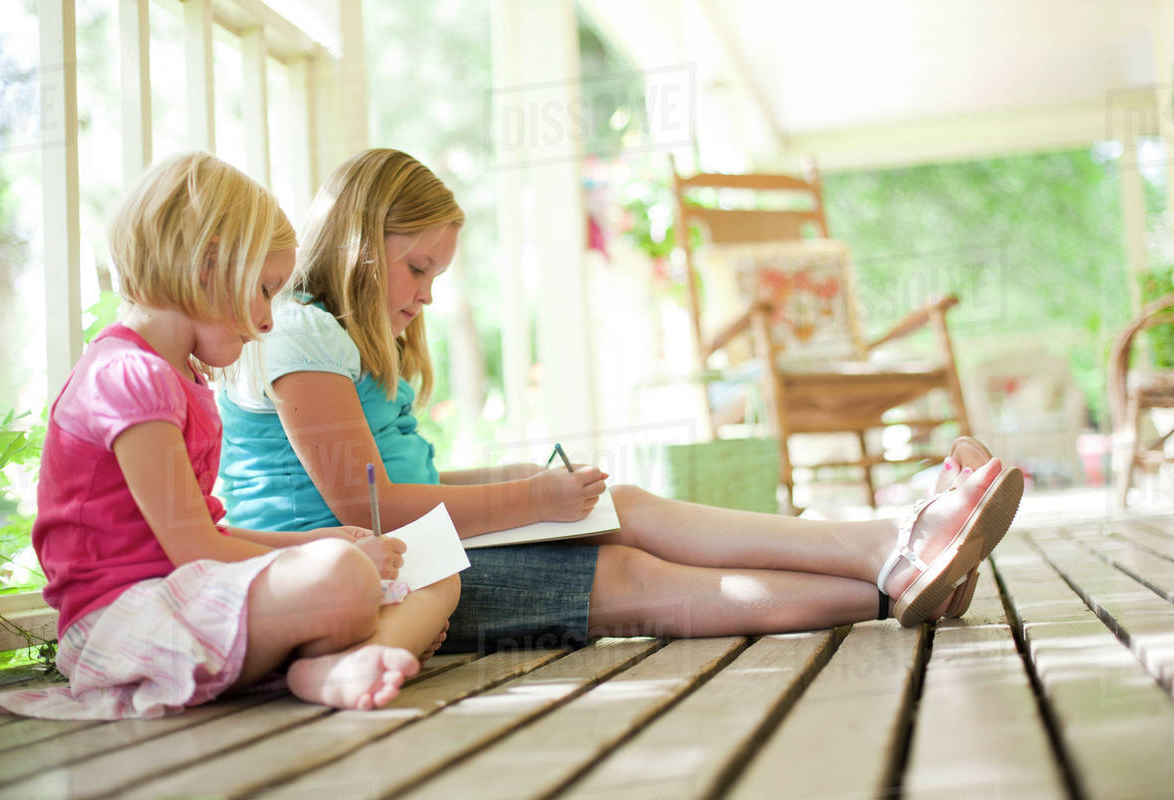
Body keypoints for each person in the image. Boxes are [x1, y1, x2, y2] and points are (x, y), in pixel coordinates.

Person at [218, 148, 1024, 653]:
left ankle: (894, 557)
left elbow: (402, 478)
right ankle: (895, 564)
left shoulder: (347, 338)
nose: (427, 295)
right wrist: (530, 496)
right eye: (419, 268)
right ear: (361, 246)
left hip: (417, 552)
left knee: (624, 507)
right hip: (381, 581)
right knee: (631, 575)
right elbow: (378, 506)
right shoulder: (298, 336)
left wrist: (520, 478)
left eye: (438, 275)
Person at [0, 152, 457, 721]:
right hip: (122, 620)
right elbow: (197, 552)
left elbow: (206, 535)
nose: (266, 321)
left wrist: (339, 537)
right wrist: (328, 551)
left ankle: (340, 661)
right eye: (263, 290)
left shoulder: (178, 377)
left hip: (188, 593)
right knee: (343, 575)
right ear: (207, 265)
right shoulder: (127, 377)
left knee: (431, 570)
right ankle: (340, 655)